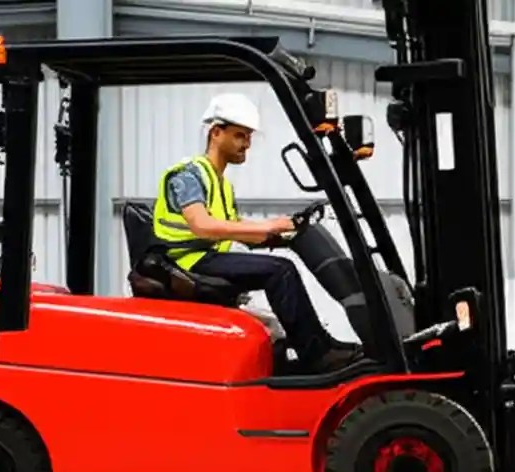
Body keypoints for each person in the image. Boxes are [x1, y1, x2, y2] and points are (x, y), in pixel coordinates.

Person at [150, 93, 362, 373]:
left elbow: (234, 230)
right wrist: (267, 225)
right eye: (240, 135)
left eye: (248, 137)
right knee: (280, 271)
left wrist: (281, 235)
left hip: (203, 257)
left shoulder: (221, 185)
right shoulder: (189, 175)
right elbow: (202, 225)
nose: (246, 144)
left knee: (280, 266)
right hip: (184, 262)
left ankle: (321, 346)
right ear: (216, 132)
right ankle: (317, 353)